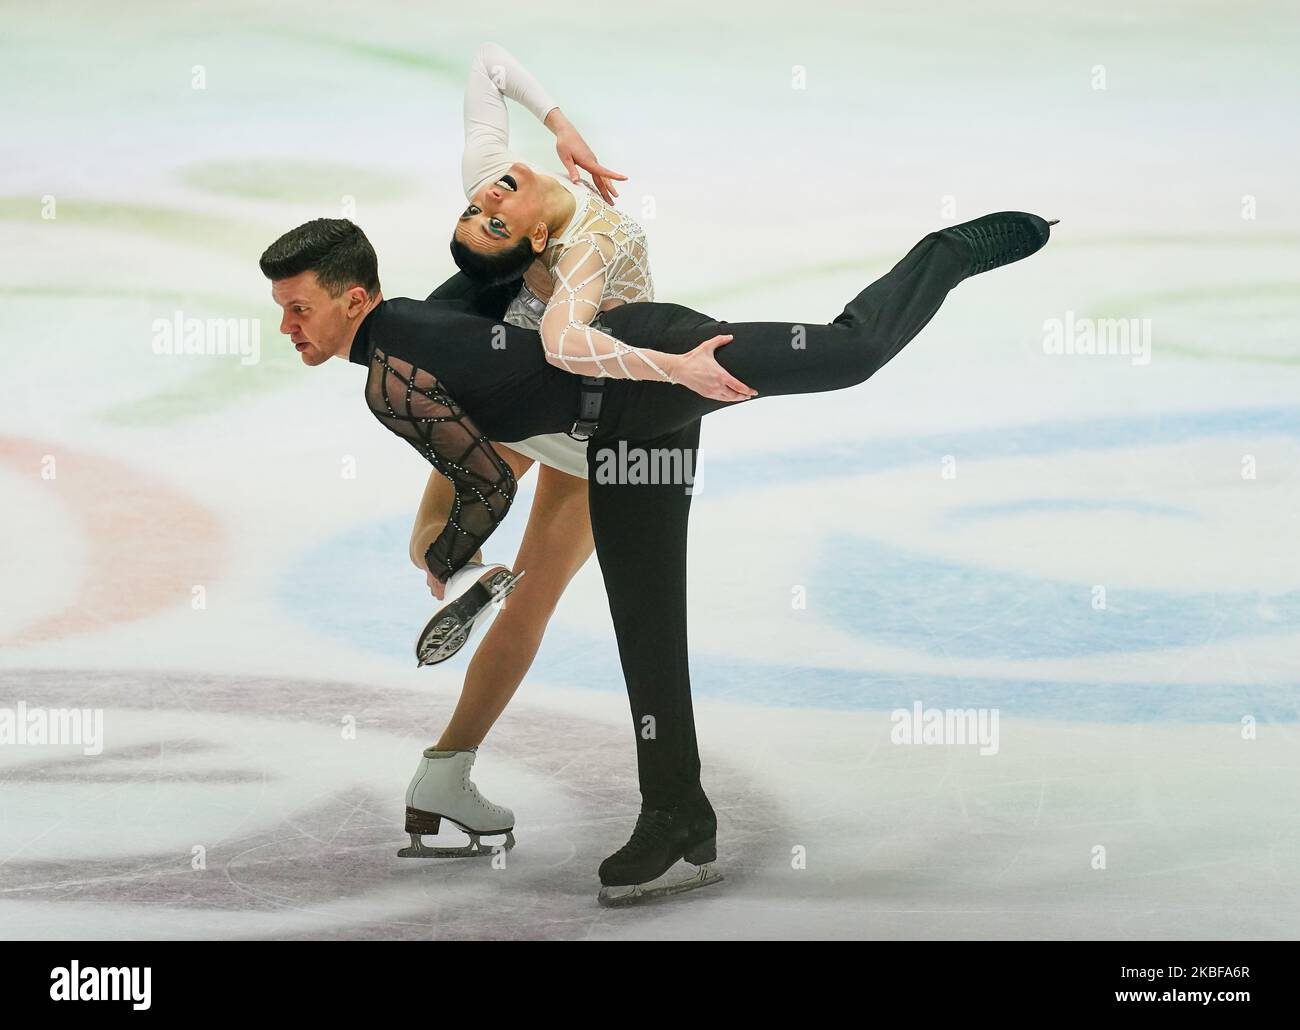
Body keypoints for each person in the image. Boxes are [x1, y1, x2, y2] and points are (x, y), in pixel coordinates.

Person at [259, 209, 1056, 903]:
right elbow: (480, 453)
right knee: (645, 622)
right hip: (623, 437)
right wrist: (448, 552)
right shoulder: (418, 326)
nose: (289, 327)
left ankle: (949, 247)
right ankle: (677, 815)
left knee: (850, 352)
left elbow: (491, 485)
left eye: (299, 308)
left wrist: (452, 556)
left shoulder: (396, 374)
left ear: (354, 298)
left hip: (661, 361)